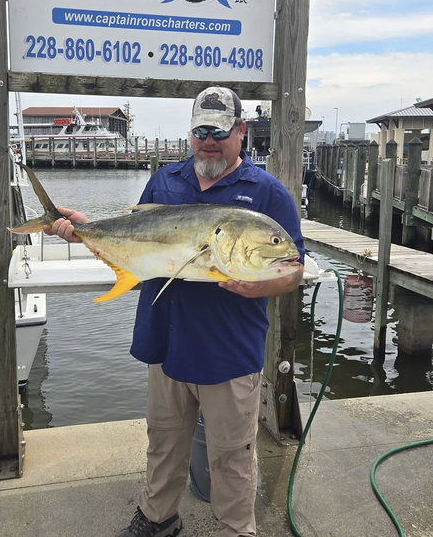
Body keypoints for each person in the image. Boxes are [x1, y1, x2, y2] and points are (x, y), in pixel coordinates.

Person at [44, 87, 305, 537]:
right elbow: (135, 241)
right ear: (190, 133)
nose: (209, 140)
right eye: (200, 131)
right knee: (163, 442)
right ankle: (158, 518)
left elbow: (293, 270)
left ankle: (235, 528)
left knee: (232, 453)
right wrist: (85, 230)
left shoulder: (267, 195)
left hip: (228, 350)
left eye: (219, 131)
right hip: (166, 341)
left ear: (240, 131)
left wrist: (256, 286)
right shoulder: (164, 180)